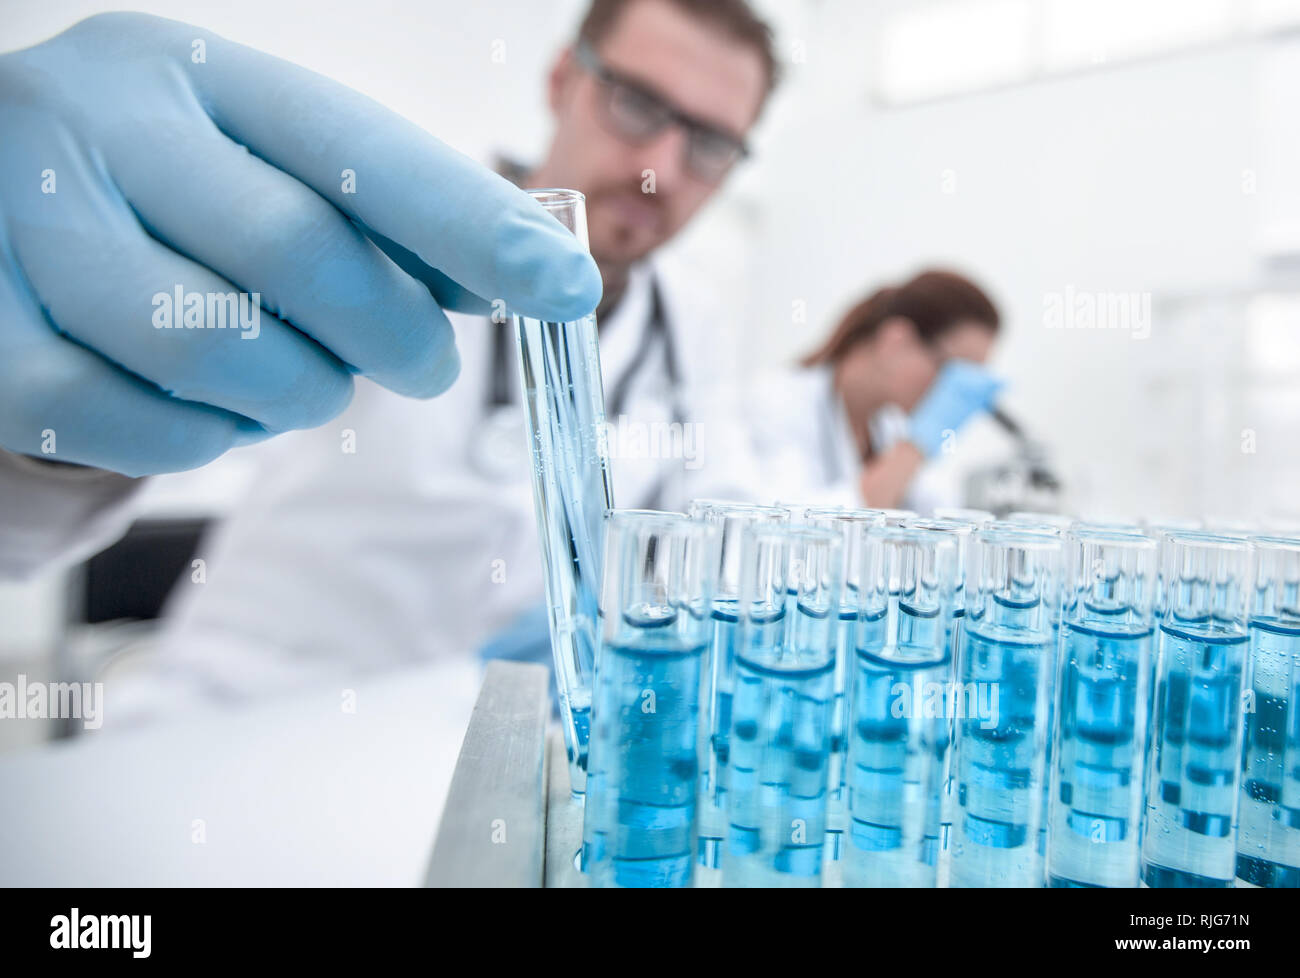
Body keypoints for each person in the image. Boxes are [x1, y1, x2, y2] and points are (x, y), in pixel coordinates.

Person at [0, 0, 783, 717]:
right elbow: (18, 530)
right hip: (247, 724)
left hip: (492, 760)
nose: (664, 170)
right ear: (562, 80)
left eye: (711, 145)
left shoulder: (695, 323)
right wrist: (40, 443)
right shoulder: (366, 228)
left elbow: (727, 525)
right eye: (639, 104)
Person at [750, 269, 1005, 511]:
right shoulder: (777, 402)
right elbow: (791, 524)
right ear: (896, 340)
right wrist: (916, 446)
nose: (950, 394)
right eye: (951, 372)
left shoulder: (889, 424)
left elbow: (937, 513)